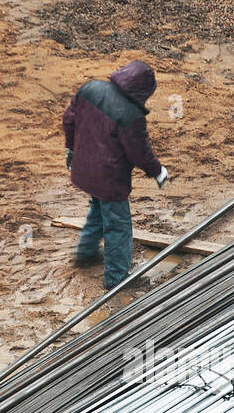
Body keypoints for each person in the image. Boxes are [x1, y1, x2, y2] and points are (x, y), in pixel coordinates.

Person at [63, 59, 171, 290]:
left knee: (98, 208)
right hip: (110, 180)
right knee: (118, 227)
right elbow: (139, 152)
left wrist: (71, 149)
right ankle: (117, 279)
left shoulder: (90, 89)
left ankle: (86, 253)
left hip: (85, 169)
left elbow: (69, 120)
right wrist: (157, 171)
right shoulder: (131, 114)